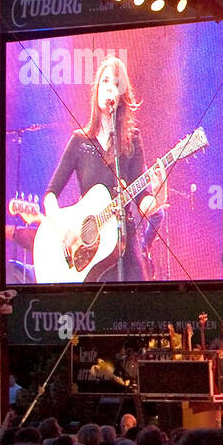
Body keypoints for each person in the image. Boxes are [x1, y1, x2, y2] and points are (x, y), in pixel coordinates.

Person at [42, 56, 166, 283]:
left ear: (121, 97)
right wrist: (63, 228)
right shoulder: (79, 142)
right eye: (104, 81)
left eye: (115, 84)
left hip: (124, 246)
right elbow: (50, 194)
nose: (108, 88)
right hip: (90, 256)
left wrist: (158, 194)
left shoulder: (131, 141)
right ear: (97, 88)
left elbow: (143, 201)